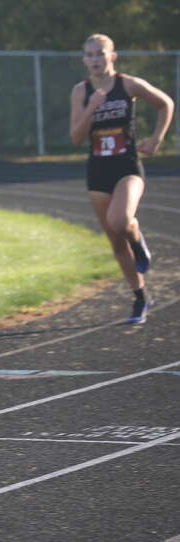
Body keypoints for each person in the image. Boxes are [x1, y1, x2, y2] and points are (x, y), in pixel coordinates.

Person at [69, 33, 174, 324]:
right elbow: (76, 138)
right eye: (89, 55)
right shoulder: (81, 91)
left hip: (127, 166)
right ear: (84, 60)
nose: (95, 60)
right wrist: (92, 106)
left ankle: (138, 240)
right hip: (97, 170)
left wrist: (156, 139)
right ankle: (140, 297)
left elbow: (165, 104)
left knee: (121, 220)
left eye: (100, 54)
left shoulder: (128, 84)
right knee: (115, 242)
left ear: (112, 56)